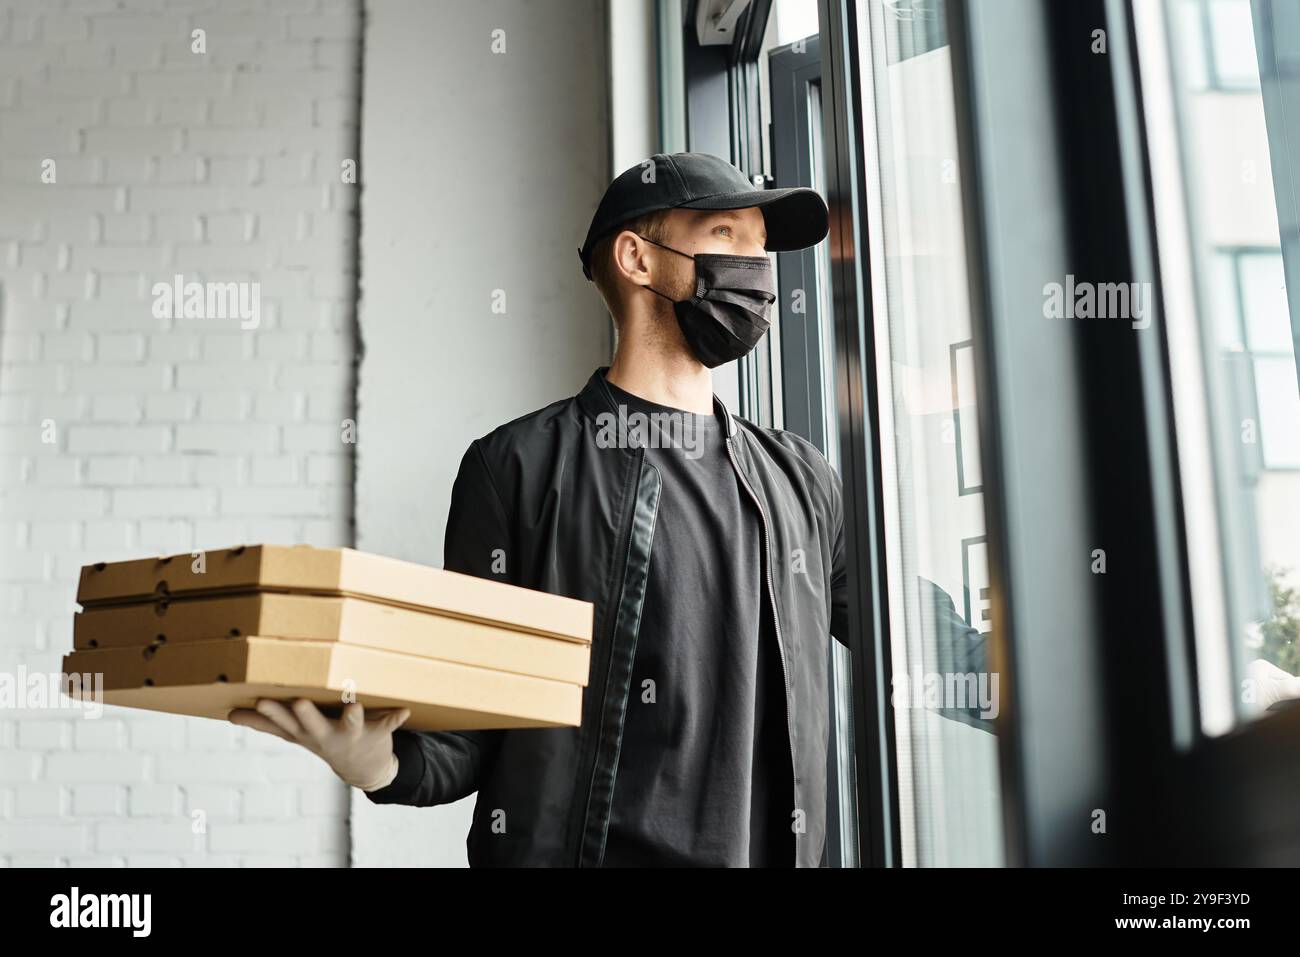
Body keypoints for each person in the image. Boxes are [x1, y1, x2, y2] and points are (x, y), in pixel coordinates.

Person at [230, 152, 848, 867]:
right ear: (637, 259)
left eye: (762, 245)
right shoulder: (517, 469)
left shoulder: (802, 481)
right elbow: (470, 729)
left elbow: (900, 627)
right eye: (727, 236)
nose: (759, 268)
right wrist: (378, 763)